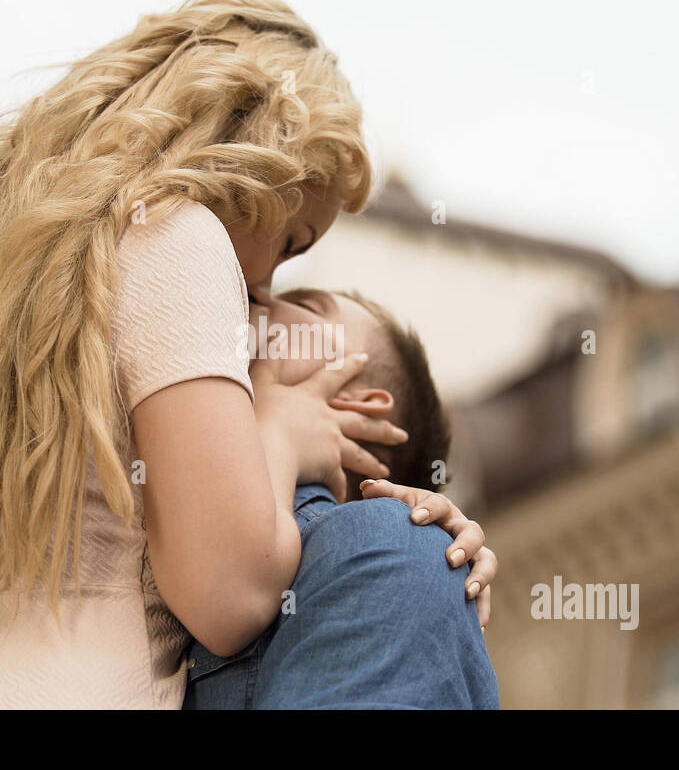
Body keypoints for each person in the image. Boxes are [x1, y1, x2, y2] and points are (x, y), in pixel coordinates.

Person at [0, 0, 495, 709]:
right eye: (288, 242)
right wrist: (278, 436)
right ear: (262, 167)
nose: (262, 291)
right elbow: (226, 592)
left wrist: (406, 529)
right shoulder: (177, 237)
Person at [185, 289, 499, 709]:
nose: (257, 291)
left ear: (358, 406)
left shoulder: (392, 550)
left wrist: (273, 434)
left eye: (308, 306)